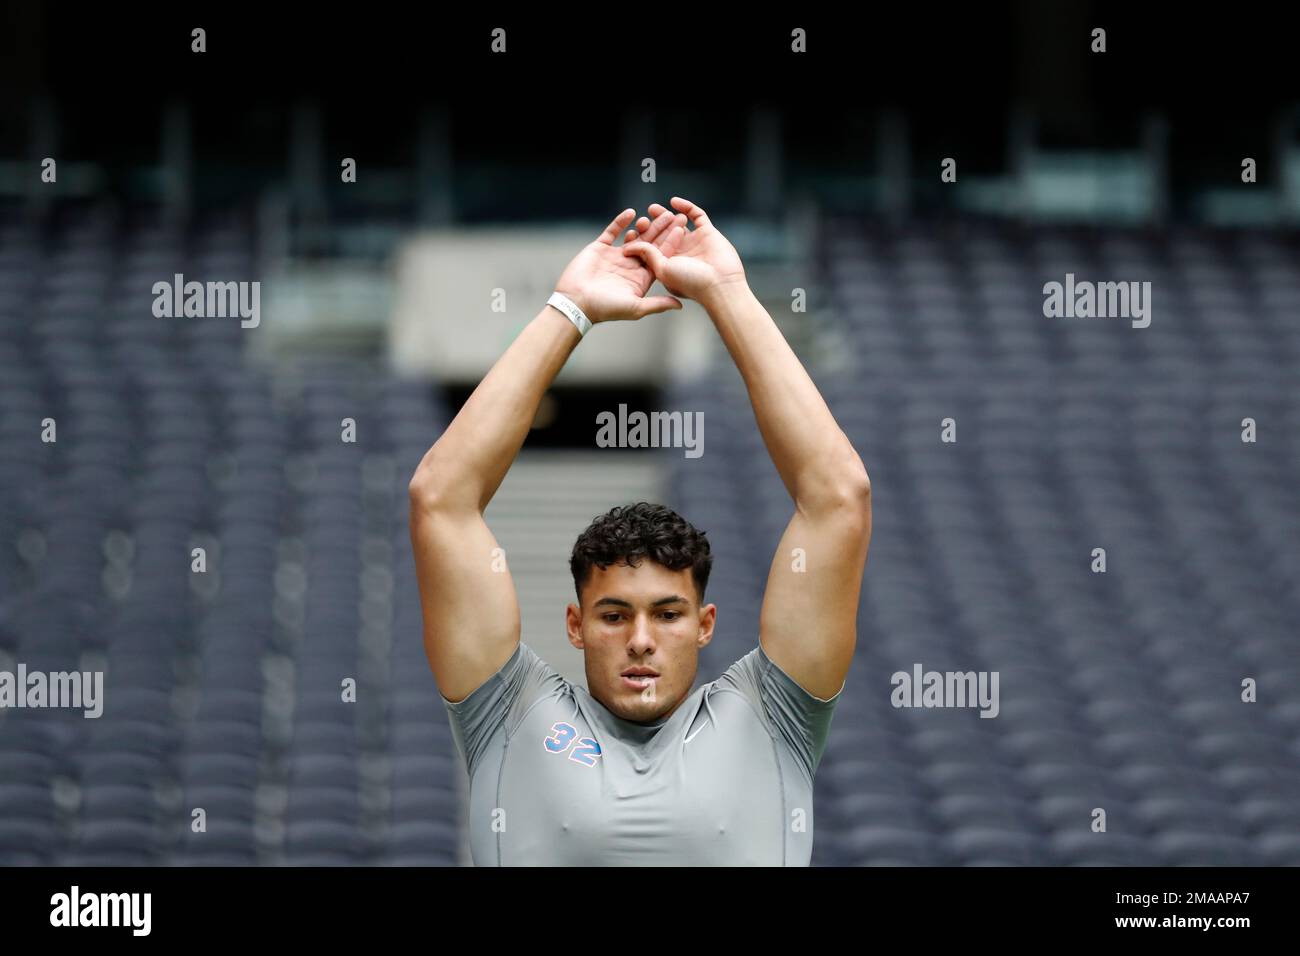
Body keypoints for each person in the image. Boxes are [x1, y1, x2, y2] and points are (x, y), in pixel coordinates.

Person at [408, 198, 872, 864]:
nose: (642, 641)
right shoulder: (507, 716)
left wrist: (727, 295)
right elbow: (439, 499)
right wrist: (570, 309)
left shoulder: (776, 719)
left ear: (707, 623)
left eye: (669, 614)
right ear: (574, 625)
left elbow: (840, 498)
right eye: (614, 615)